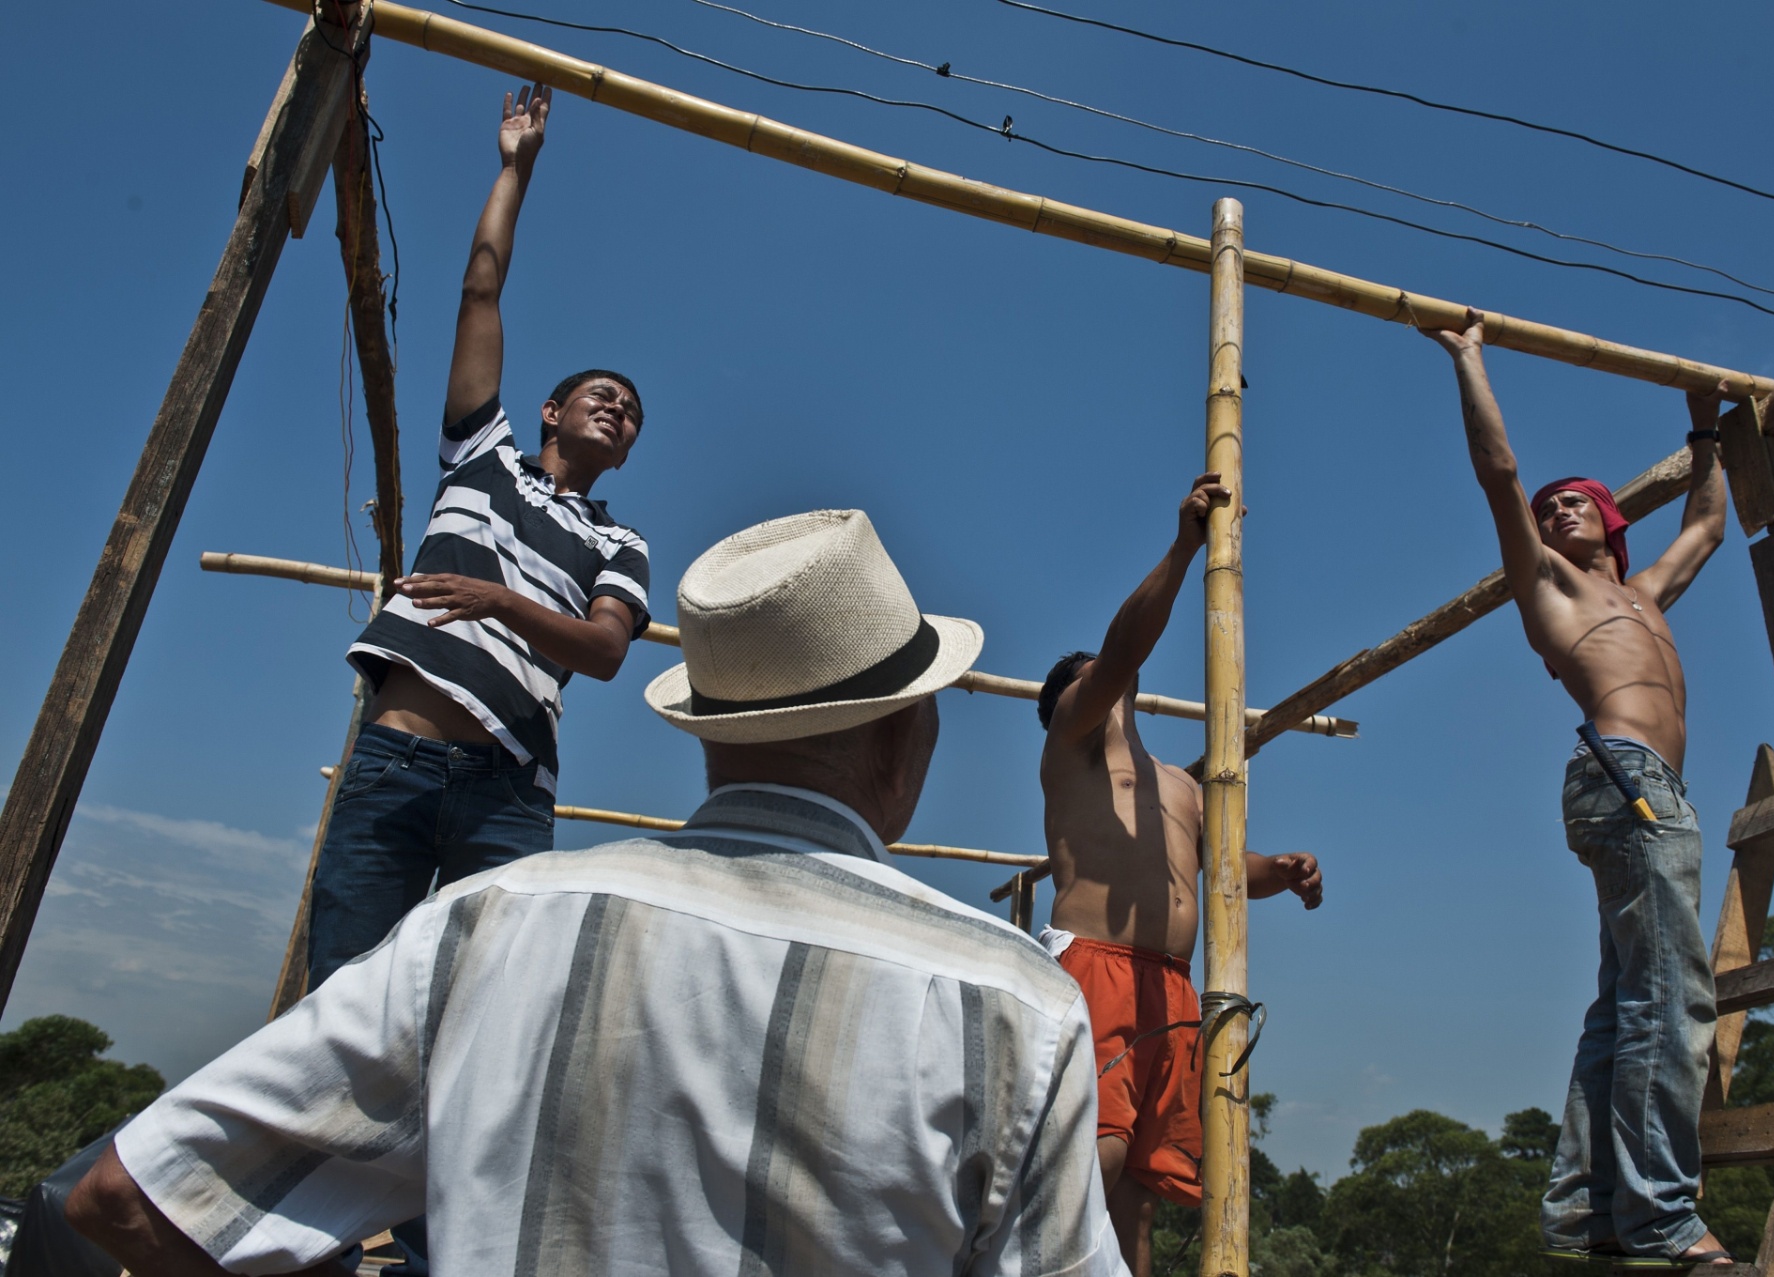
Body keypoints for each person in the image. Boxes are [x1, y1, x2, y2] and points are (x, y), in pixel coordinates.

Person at [67, 508, 1126, 1277]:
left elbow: (131, 1196)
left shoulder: (490, 922)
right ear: (910, 731)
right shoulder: (1011, 1001)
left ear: (710, 733)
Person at [306, 84, 653, 996]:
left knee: (471, 1023)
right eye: (601, 396)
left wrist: (500, 601)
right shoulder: (481, 455)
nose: (617, 410)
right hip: (397, 757)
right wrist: (515, 167)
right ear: (550, 411)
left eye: (631, 414)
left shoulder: (620, 541)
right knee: (340, 1006)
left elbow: (609, 650)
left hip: (509, 792)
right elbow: (479, 287)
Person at [1423, 310, 1733, 1266]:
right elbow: (1500, 475)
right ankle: (1661, 1219)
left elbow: (1711, 522)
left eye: (1575, 503)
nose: (1556, 510)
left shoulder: (1643, 594)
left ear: (1613, 521)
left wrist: (1705, 426)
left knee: (1625, 1001)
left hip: (1653, 790)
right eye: (1549, 506)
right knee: (1671, 998)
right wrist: (1471, 359)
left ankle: (1587, 1209)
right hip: (1625, 780)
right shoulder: (1550, 588)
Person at [1037, 474, 1324, 1274]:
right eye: (1098, 675)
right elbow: (1123, 649)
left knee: (1143, 1189)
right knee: (1096, 1151)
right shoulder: (1072, 741)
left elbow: (1227, 871)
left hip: (1173, 983)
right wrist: (1184, 547)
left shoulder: (1183, 785)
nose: (1116, 679)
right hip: (1096, 963)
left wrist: (1283, 869)